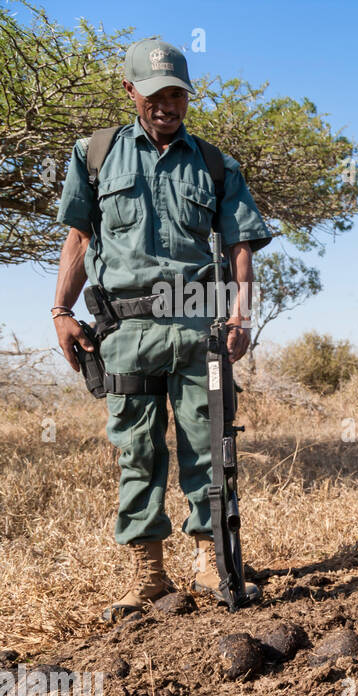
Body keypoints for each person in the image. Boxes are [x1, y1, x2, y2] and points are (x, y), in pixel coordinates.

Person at [49, 37, 272, 621]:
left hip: (201, 324)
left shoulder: (216, 163)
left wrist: (240, 314)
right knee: (136, 450)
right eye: (154, 94)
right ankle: (147, 573)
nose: (166, 104)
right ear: (131, 93)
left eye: (176, 93)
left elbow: (242, 245)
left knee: (210, 443)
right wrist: (60, 311)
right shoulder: (95, 154)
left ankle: (209, 559)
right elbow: (78, 238)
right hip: (125, 329)